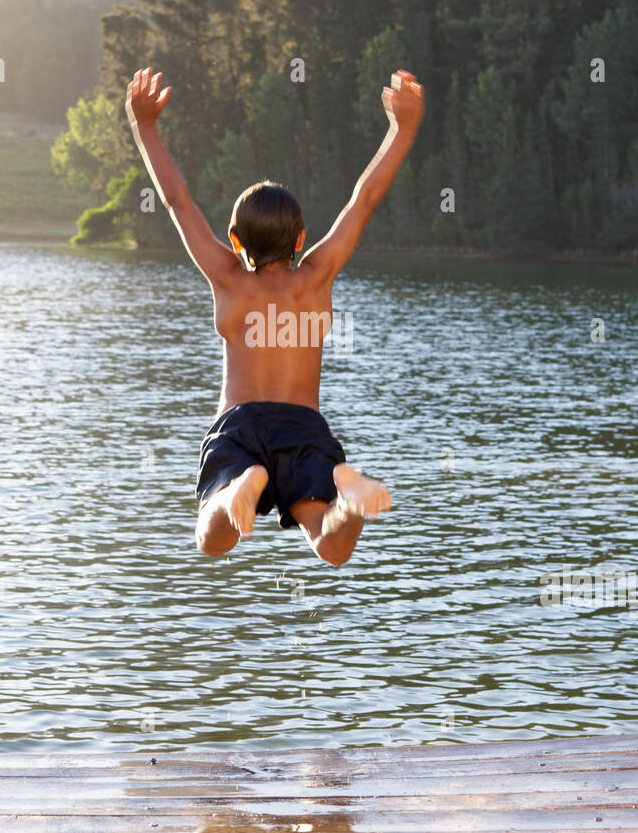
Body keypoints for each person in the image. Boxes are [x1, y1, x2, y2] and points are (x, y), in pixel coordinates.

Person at [125, 65, 424, 565]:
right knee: (331, 546)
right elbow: (364, 200)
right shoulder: (316, 277)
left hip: (239, 426)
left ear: (236, 241)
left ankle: (239, 486)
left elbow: (177, 201)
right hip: (303, 428)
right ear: (302, 238)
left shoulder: (228, 278)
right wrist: (404, 127)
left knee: (212, 538)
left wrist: (146, 126)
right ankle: (347, 502)